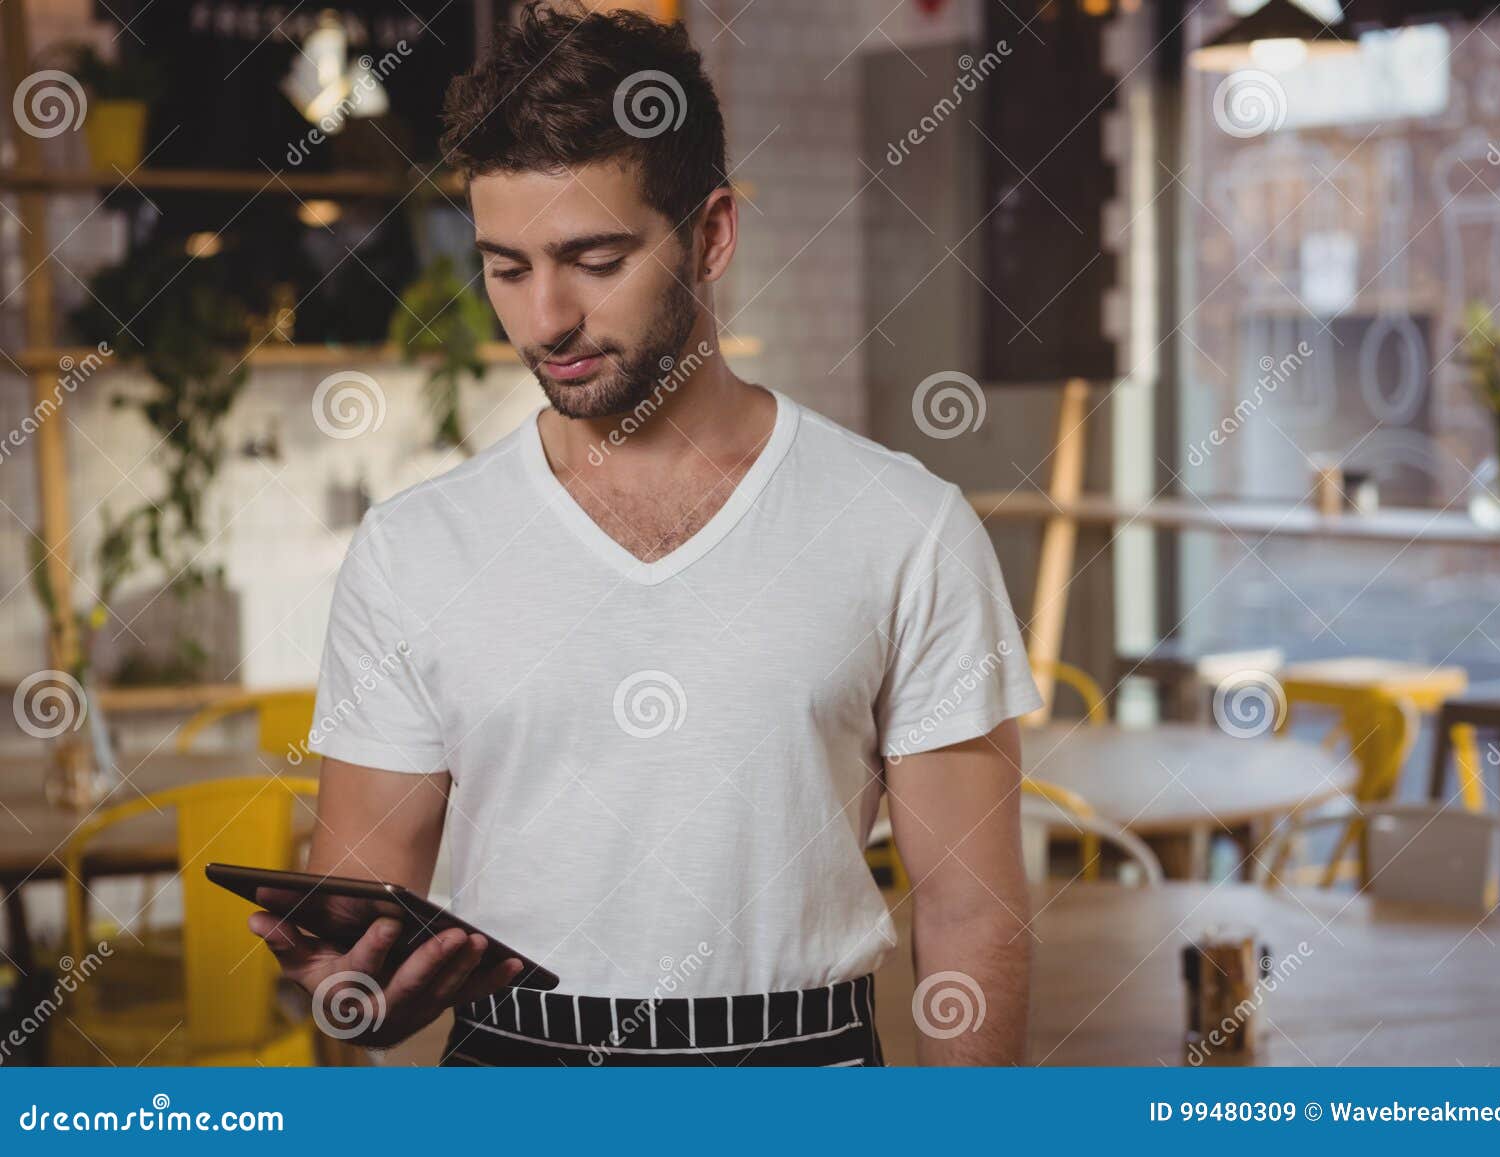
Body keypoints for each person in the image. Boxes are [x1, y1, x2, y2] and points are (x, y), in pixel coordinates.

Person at [249, 0, 1043, 1067]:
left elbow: (971, 918)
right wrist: (356, 995)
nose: (545, 320)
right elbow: (364, 927)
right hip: (507, 1070)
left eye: (594, 257)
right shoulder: (412, 549)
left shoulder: (901, 526)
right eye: (507, 266)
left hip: (798, 1069)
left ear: (712, 232)